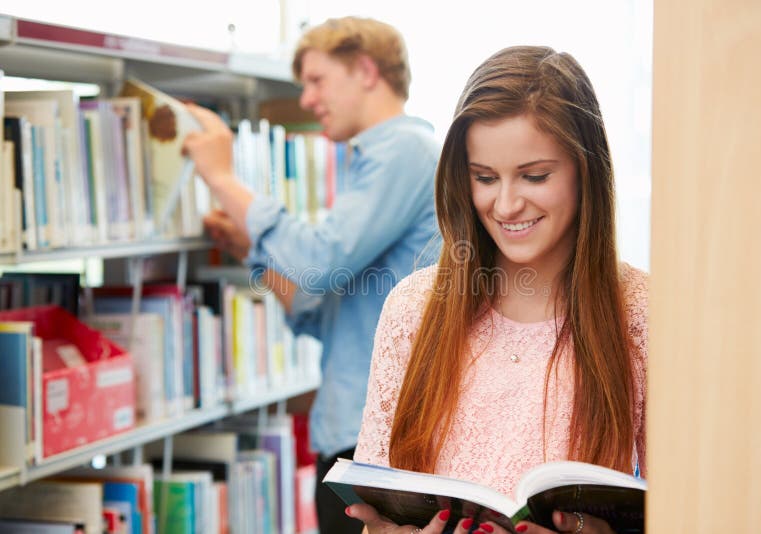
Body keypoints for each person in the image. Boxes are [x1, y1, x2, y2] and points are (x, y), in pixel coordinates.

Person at [348, 45, 648, 534]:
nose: (506, 205)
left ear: (585, 170)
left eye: (534, 176)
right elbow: (378, 512)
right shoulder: (413, 307)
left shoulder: (644, 313)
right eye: (485, 178)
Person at [182, 17, 441, 533]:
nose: (306, 99)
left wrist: (222, 177)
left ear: (366, 70)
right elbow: (319, 311)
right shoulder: (371, 162)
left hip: (378, 448)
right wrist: (252, 253)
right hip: (354, 438)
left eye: (317, 80)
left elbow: (321, 264)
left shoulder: (402, 152)